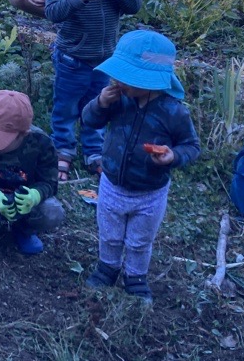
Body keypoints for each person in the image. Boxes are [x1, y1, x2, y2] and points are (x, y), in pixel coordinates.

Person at [81, 30, 201, 301]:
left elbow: (191, 146)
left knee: (139, 240)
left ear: (151, 81)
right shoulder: (118, 99)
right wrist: (100, 103)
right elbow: (89, 121)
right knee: (109, 235)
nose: (118, 82)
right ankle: (107, 268)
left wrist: (173, 156)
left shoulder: (174, 112)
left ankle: (135, 277)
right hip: (112, 185)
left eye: (127, 78)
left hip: (149, 193)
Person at [44, 0, 141, 182]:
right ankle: (63, 149)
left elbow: (134, 6)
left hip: (105, 59)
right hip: (72, 57)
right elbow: (52, 12)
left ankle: (94, 151)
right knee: (66, 107)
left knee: (98, 106)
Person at [0, 90, 64, 256]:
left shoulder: (41, 143)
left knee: (52, 213)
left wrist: (35, 196)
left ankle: (24, 229)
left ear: (23, 134)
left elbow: (49, 182)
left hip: (24, 198)